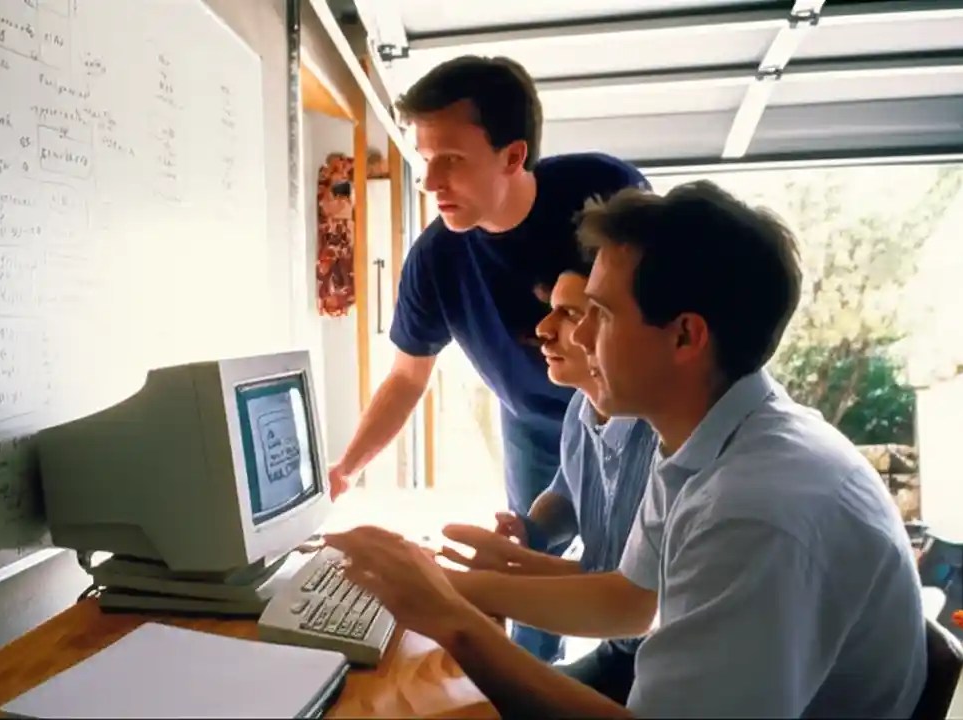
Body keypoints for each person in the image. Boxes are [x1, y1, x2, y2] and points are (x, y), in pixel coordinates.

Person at [324, 181, 927, 718]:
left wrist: (454, 622)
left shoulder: (755, 510)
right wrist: (442, 583)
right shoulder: (705, 440)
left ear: (686, 336)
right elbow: (628, 601)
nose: (579, 335)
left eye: (602, 315)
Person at [326, 54, 648, 663]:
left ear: (513, 155)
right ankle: (530, 675)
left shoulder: (602, 191)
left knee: (629, 580)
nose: (429, 183)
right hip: (531, 421)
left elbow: (662, 291)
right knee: (529, 564)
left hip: (630, 415)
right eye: (425, 161)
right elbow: (404, 379)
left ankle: (620, 671)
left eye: (451, 160)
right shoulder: (435, 260)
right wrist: (348, 467)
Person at [439, 257, 657, 705]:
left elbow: (632, 605)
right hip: (618, 652)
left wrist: (440, 590)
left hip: (653, 663)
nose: (545, 329)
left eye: (572, 314)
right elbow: (567, 494)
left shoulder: (666, 437)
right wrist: (528, 532)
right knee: (468, 698)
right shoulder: (581, 409)